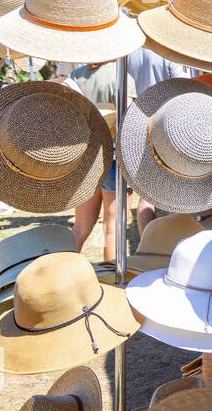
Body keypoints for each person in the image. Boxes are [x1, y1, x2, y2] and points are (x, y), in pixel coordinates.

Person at [67, 61, 135, 263]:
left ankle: (62, 273)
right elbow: (129, 119)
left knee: (80, 227)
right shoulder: (120, 76)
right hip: (113, 157)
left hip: (84, 156)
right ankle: (111, 279)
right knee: (113, 226)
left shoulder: (76, 76)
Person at [125, 46, 189, 233]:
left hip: (140, 122)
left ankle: (148, 242)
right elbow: (184, 89)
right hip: (169, 126)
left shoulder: (131, 51)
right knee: (175, 190)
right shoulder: (170, 52)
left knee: (148, 192)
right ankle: (168, 243)